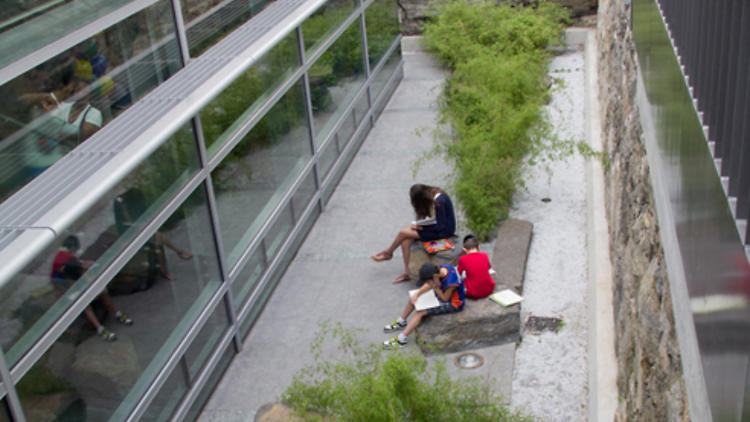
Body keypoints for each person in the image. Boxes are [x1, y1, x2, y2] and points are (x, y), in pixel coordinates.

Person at [51, 235, 133, 341]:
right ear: (72, 247)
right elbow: (77, 271)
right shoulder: (67, 260)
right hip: (68, 288)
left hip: (72, 283)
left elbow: (78, 265)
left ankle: (117, 313)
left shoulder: (63, 256)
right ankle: (100, 328)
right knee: (85, 304)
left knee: (102, 294)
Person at [371, 184, 456, 283]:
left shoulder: (439, 201)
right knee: (405, 241)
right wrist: (419, 225)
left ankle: (388, 253)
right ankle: (407, 273)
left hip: (443, 233)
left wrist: (420, 227)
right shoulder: (436, 194)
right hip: (441, 229)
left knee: (403, 232)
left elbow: (440, 226)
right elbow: (436, 220)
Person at [383, 262, 465, 348]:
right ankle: (401, 321)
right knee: (413, 300)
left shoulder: (451, 283)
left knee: (420, 312)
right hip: (441, 291)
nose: (428, 282)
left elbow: (445, 298)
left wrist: (436, 288)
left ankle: (401, 339)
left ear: (434, 276)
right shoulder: (441, 269)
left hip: (453, 303)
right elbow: (430, 284)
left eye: (429, 280)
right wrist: (417, 294)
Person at [457, 234, 496, 299]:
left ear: (464, 249)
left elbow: (458, 273)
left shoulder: (463, 259)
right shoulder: (485, 255)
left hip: (473, 293)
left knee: (461, 282)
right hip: (489, 289)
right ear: (478, 246)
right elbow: (488, 267)